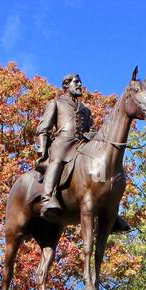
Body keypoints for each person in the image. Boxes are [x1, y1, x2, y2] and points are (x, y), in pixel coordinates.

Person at [33, 73, 92, 221]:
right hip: (63, 143)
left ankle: (108, 204)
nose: (80, 85)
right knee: (57, 160)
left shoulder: (86, 110)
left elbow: (92, 130)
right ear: (66, 85)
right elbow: (43, 128)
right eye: (76, 82)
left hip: (82, 144)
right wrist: (42, 150)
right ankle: (47, 199)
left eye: (80, 82)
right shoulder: (56, 103)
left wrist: (91, 137)